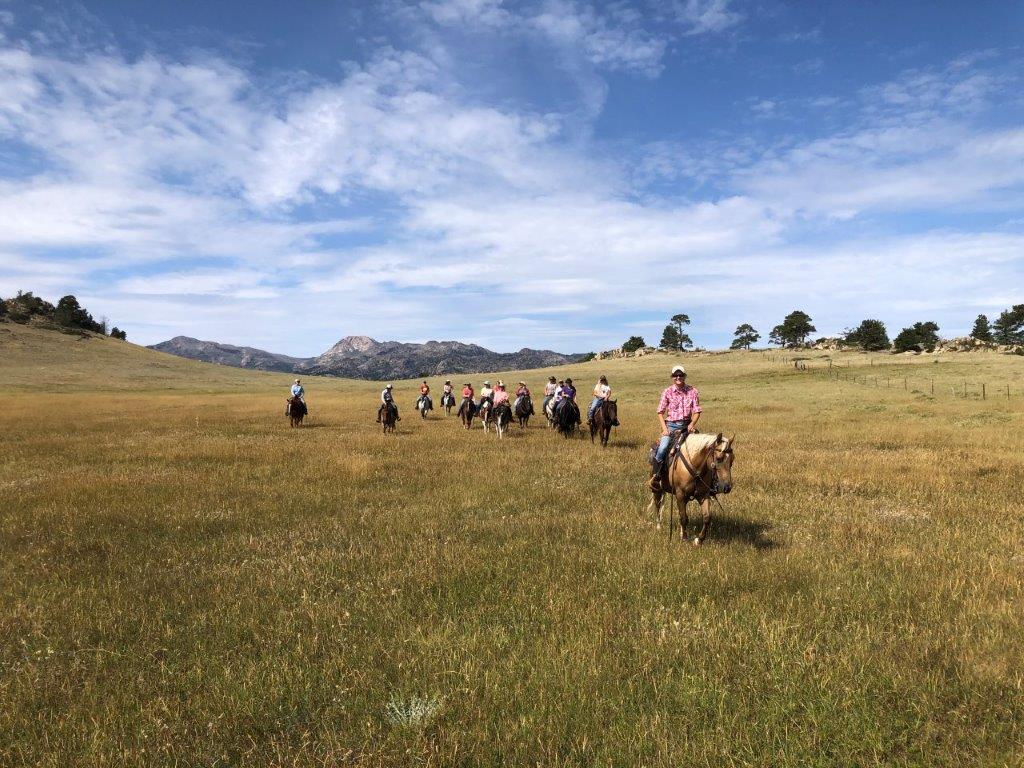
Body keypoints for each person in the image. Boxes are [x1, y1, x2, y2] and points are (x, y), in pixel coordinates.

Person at [649, 365, 702, 492]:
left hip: (687, 426)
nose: (678, 377)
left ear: (684, 376)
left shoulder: (692, 391)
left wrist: (692, 424)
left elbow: (697, 411)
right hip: (671, 426)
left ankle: (706, 480)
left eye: (681, 375)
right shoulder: (667, 392)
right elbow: (660, 412)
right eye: (676, 375)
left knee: (703, 449)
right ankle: (656, 477)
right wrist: (665, 429)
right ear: (672, 377)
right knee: (662, 448)